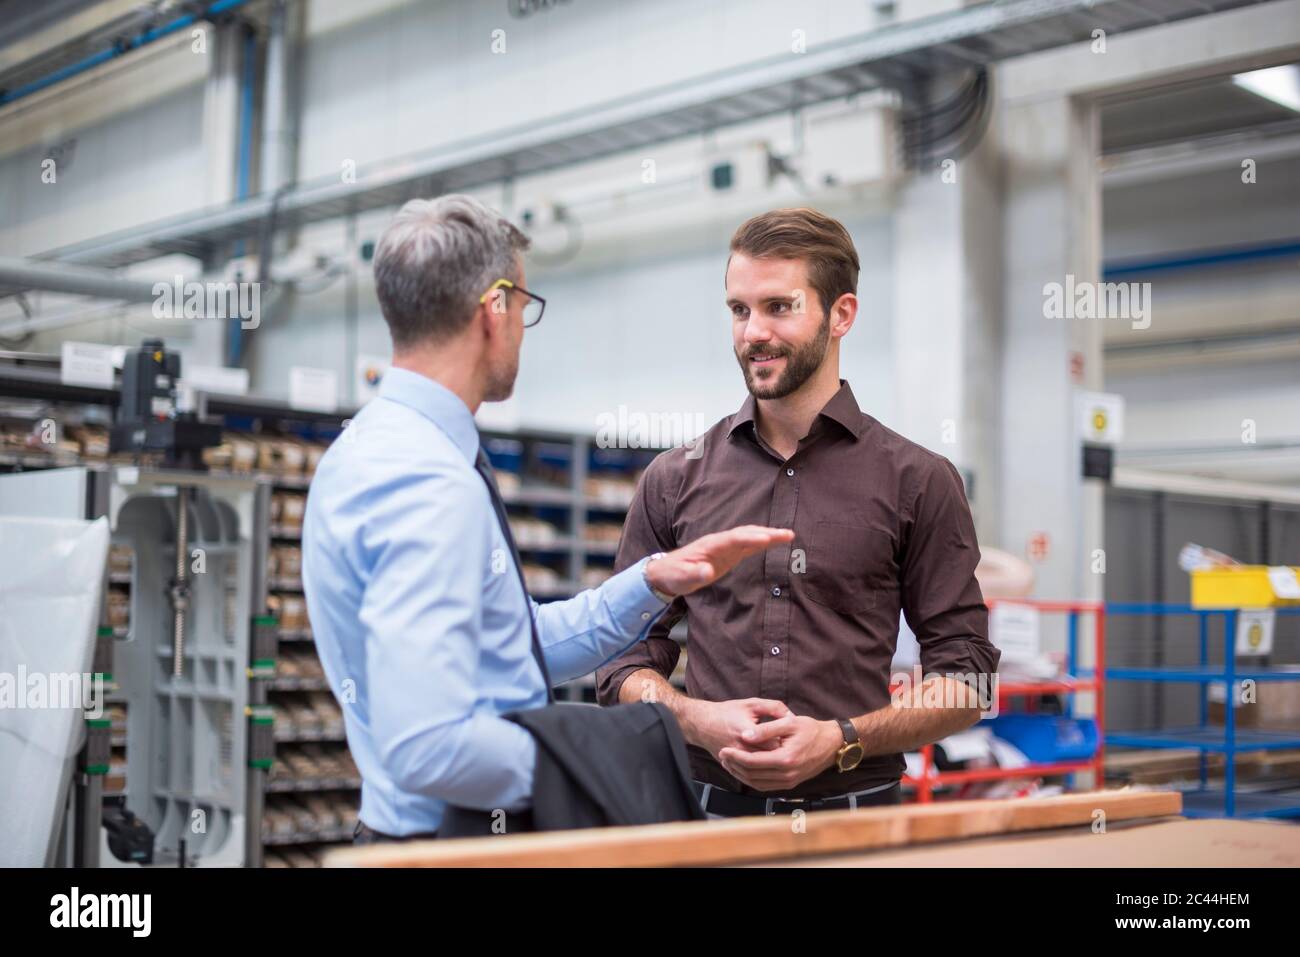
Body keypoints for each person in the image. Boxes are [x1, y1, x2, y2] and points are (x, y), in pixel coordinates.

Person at [302, 194, 792, 841]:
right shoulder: (424, 480)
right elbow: (425, 745)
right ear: (494, 308)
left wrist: (653, 581)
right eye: (525, 306)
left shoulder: (373, 447)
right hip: (452, 846)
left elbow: (511, 645)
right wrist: (605, 755)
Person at [596, 207, 1001, 817]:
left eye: (779, 307)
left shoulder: (918, 481)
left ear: (842, 314)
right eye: (739, 310)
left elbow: (968, 678)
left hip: (857, 813)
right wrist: (695, 719)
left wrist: (843, 739)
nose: (752, 331)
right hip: (703, 814)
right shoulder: (674, 479)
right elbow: (620, 661)